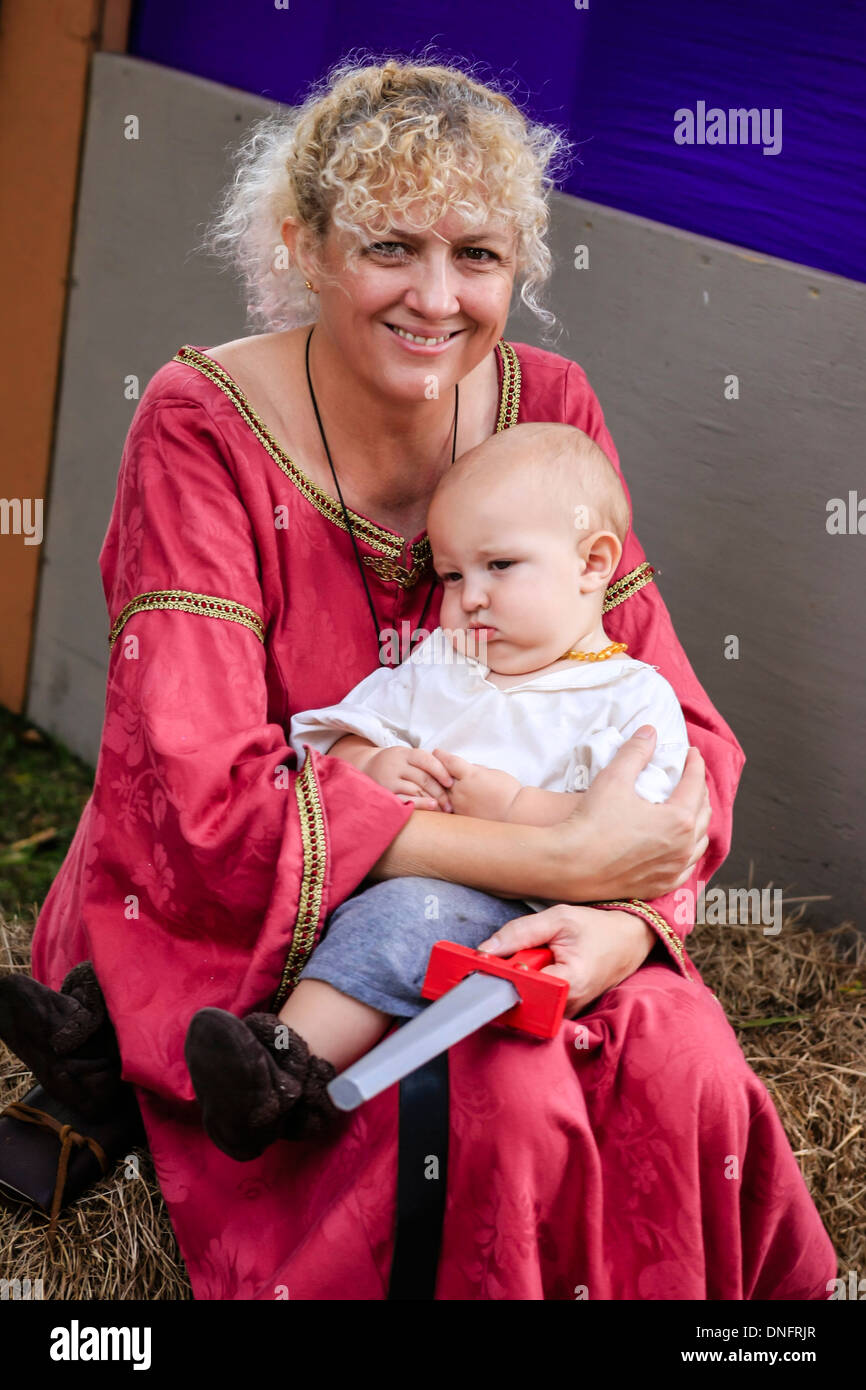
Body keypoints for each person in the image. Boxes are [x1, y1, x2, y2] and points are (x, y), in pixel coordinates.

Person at [0, 57, 835, 1299]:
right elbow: (204, 792)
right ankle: (138, 1060)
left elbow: (671, 722)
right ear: (304, 245)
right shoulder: (199, 424)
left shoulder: (549, 406)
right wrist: (564, 860)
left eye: (480, 256)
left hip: (538, 893)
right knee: (486, 1104)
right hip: (259, 899)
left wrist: (616, 923)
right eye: (391, 247)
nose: (438, 299)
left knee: (680, 1064)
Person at [183, 422, 694, 1162]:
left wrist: (517, 809)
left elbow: (638, 829)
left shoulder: (630, 700)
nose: (470, 600)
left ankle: (285, 1075)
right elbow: (339, 729)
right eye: (453, 577)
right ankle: (113, 1020)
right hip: (409, 859)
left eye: (499, 566)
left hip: (521, 907)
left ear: (593, 563)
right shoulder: (446, 661)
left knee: (395, 918)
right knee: (287, 868)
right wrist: (373, 758)